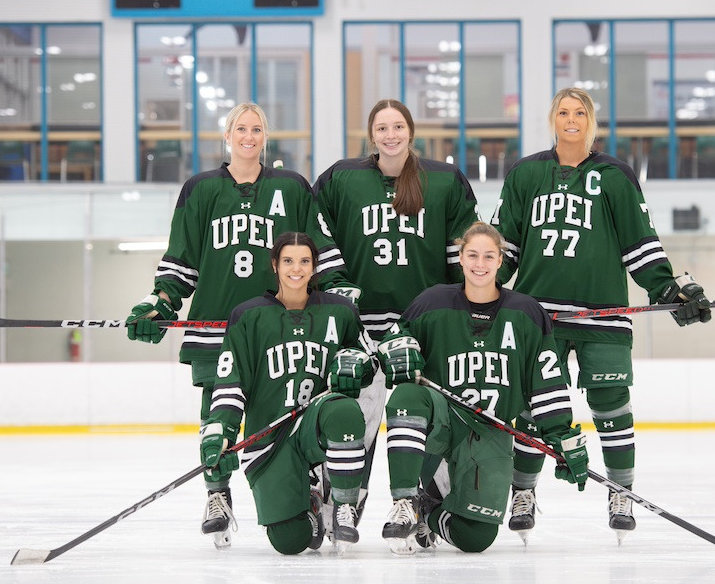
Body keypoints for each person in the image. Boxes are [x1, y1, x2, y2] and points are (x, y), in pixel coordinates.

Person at [125, 102, 356, 549]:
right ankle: (217, 495)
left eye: (257, 129)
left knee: (296, 413)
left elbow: (317, 250)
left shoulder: (291, 188)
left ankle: (308, 490)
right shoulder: (200, 189)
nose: (249, 136)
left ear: (265, 137)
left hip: (284, 327)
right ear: (227, 135)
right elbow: (182, 261)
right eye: (241, 128)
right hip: (218, 333)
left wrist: (340, 292)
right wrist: (161, 303)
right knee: (217, 415)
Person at [490, 87, 712, 542]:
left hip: (603, 317)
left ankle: (620, 492)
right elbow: (505, 247)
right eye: (564, 112)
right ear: (552, 118)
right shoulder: (525, 173)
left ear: (592, 120)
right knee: (533, 408)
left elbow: (639, 244)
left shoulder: (615, 175)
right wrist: (480, 288)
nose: (571, 119)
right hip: (540, 318)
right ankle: (523, 493)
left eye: (580, 112)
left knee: (611, 406)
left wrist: (668, 288)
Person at [376, 222, 590, 555]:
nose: (480, 263)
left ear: (500, 260)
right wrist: (397, 349)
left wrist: (562, 436)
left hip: (490, 434)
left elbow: (545, 381)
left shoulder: (526, 312)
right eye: (472, 255)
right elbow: (394, 338)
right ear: (460, 258)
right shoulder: (432, 302)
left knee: (476, 539)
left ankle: (427, 512)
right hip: (442, 426)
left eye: (488, 256)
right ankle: (403, 501)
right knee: (407, 395)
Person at [313, 99, 480, 524]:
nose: (391, 135)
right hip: (361, 327)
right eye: (382, 128)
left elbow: (463, 254)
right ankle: (344, 507)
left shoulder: (442, 180)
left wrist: (455, 309)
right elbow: (314, 231)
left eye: (398, 127)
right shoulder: (341, 177)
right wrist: (334, 284)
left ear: (411, 131)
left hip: (423, 329)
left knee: (424, 420)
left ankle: (431, 506)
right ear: (371, 135)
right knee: (359, 420)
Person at [199, 231, 377, 554]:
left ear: (314, 267)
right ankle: (309, 504)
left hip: (317, 422)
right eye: (289, 261)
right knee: (290, 541)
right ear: (275, 265)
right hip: (270, 438)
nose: (297, 269)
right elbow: (231, 381)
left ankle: (343, 506)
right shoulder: (248, 316)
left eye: (305, 261)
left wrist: (356, 367)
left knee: (345, 411)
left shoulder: (340, 311)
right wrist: (221, 431)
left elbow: (368, 360)